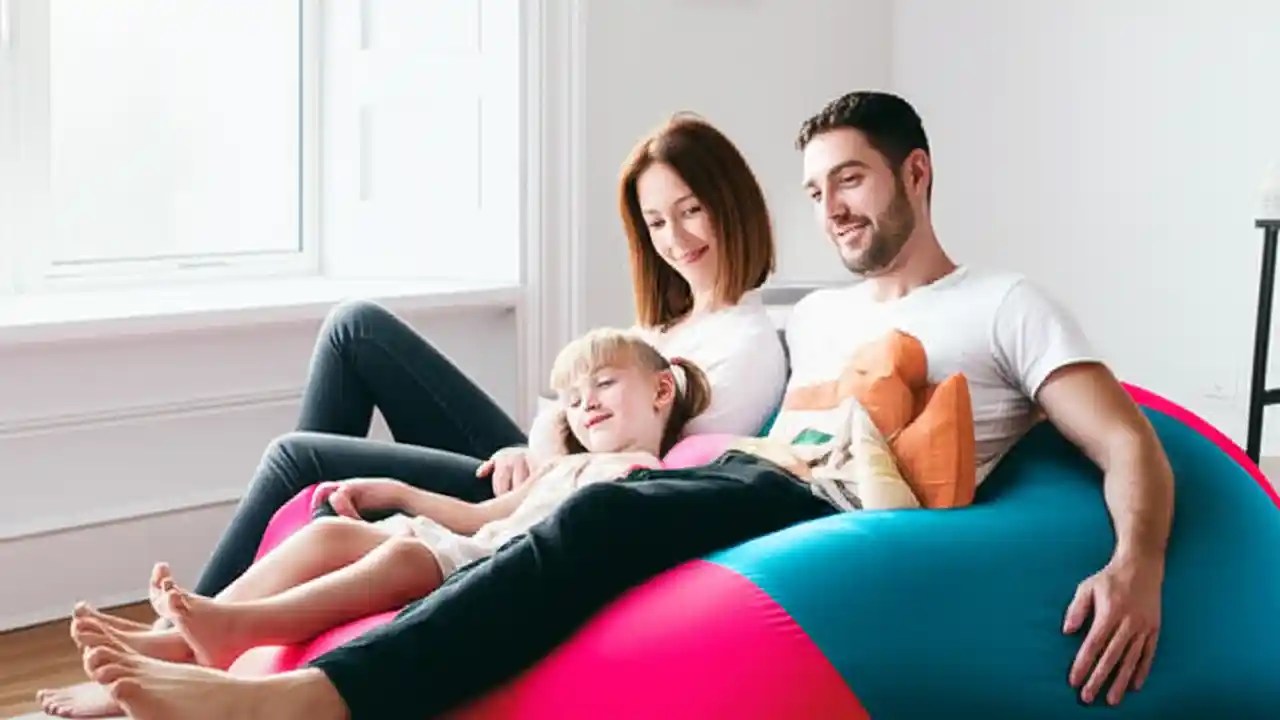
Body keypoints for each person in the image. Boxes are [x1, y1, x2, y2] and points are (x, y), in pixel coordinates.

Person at [72, 91, 1174, 719]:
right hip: (760, 478)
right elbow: (714, 408)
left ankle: (313, 704)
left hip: (828, 510)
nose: (832, 208)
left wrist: (1134, 563)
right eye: (816, 191)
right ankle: (250, 654)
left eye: (852, 179)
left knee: (594, 515)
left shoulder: (1002, 303)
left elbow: (1122, 439)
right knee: (557, 518)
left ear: (915, 174)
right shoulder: (818, 314)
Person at [38, 113, 788, 717]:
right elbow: (567, 410)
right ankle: (188, 634)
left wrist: (547, 446)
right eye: (658, 222)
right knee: (352, 332)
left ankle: (188, 638)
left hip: (568, 489)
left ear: (733, 205)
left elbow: (673, 460)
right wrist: (540, 438)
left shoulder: (745, 340)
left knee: (305, 458)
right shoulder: (661, 326)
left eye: (693, 210)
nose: (678, 238)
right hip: (532, 471)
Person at [81, 330, 710, 673]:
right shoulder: (567, 464)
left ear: (660, 391)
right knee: (330, 535)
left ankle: (234, 632)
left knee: (402, 559)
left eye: (603, 384)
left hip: (504, 568)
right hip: (475, 542)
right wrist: (399, 492)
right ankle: (179, 635)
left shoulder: (648, 473)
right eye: (573, 399)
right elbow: (482, 516)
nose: (586, 403)